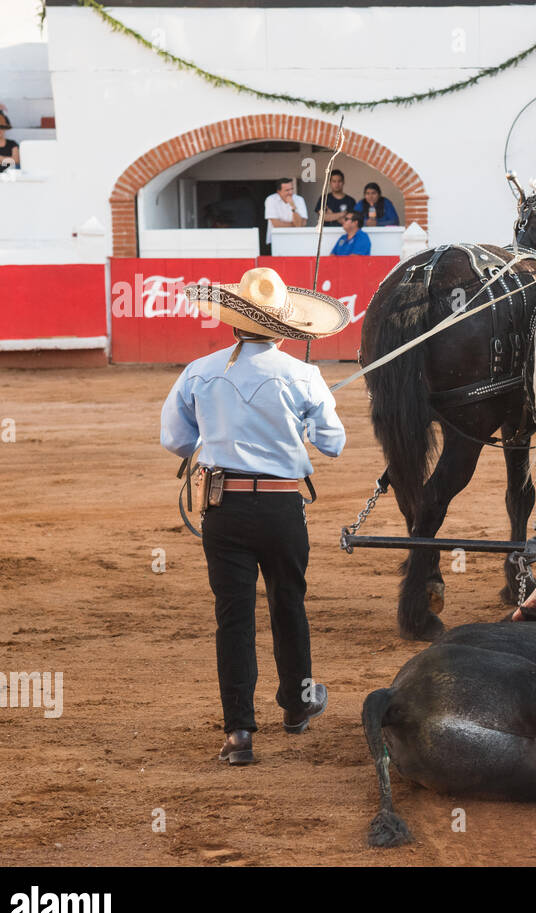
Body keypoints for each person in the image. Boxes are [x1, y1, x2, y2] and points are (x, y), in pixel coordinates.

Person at [160, 267, 350, 766]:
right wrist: (304, 421)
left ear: (233, 322)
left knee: (233, 617)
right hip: (283, 507)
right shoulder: (303, 376)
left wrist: (219, 436)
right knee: (289, 606)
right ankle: (295, 705)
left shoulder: (199, 371)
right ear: (283, 325)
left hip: (224, 508)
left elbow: (175, 441)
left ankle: (239, 733)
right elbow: (333, 444)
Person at [264, 177, 307, 247]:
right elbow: (276, 225)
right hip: (276, 241)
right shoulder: (270, 200)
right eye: (287, 190)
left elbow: (301, 224)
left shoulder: (299, 199)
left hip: (295, 241)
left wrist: (293, 207)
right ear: (278, 191)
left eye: (291, 189)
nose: (290, 192)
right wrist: (295, 225)